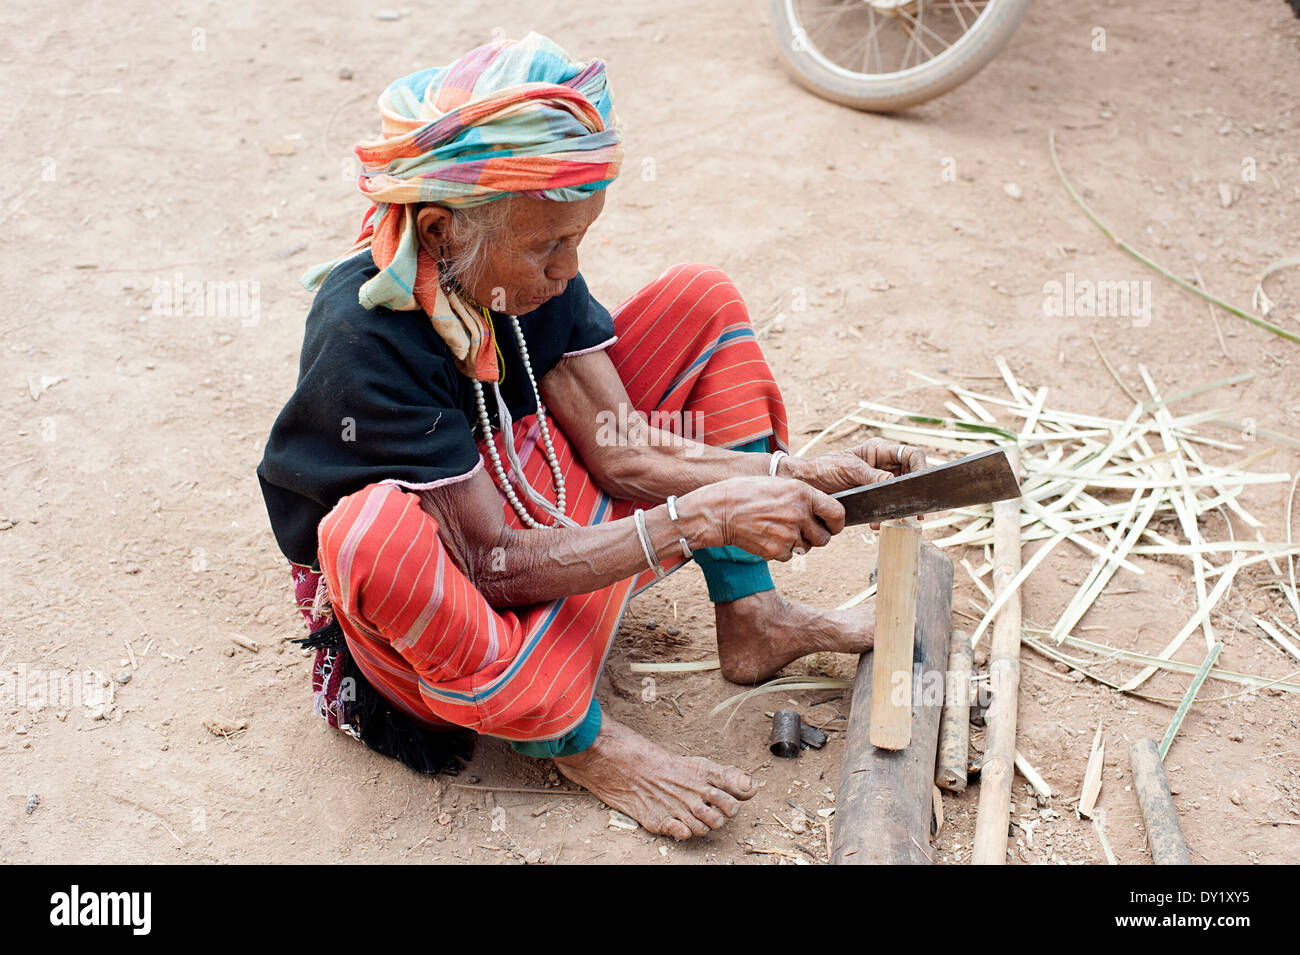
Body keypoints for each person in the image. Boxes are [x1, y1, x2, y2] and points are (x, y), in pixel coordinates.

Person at [257, 32, 927, 841]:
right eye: (551, 244)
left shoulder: (515, 268)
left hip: (523, 496)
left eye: (579, 238)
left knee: (699, 300)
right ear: (438, 232)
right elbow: (490, 564)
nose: (569, 269)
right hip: (440, 610)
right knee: (371, 537)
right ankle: (581, 740)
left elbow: (624, 449)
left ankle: (757, 618)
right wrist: (703, 515)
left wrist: (798, 471)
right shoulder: (364, 343)